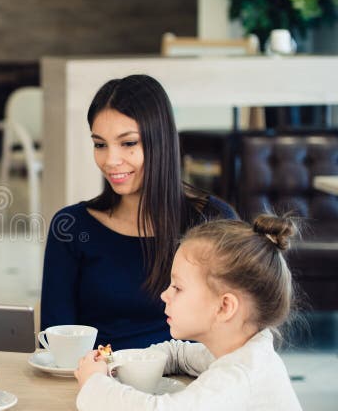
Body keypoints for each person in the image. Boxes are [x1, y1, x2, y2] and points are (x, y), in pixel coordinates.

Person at [74, 214, 320, 411]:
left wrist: (95, 384)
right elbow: (177, 353)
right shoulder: (243, 351)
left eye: (177, 287)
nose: (164, 294)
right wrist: (118, 361)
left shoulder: (239, 378)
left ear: (224, 307)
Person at [40, 74, 236, 350]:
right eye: (100, 144)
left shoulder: (213, 221)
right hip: (96, 384)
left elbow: (233, 333)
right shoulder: (71, 226)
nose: (111, 160)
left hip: (189, 384)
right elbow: (54, 338)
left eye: (128, 143)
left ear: (161, 142)